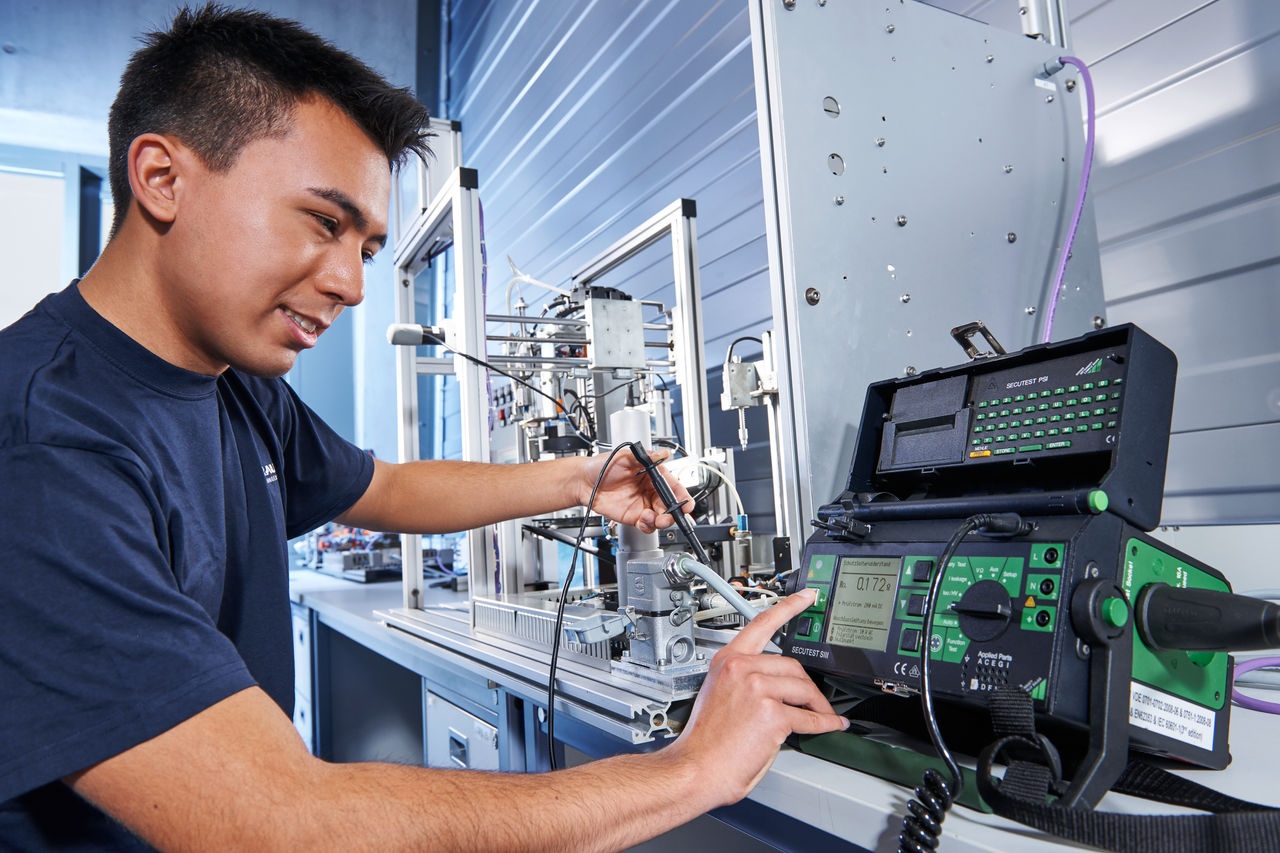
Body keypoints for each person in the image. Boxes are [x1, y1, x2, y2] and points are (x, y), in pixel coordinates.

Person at [0, 5, 847, 850]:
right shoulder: (45, 445)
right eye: (325, 221)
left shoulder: (231, 380)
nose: (351, 285)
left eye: (366, 249)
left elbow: (388, 487)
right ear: (161, 178)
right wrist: (693, 767)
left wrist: (581, 479)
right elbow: (282, 827)